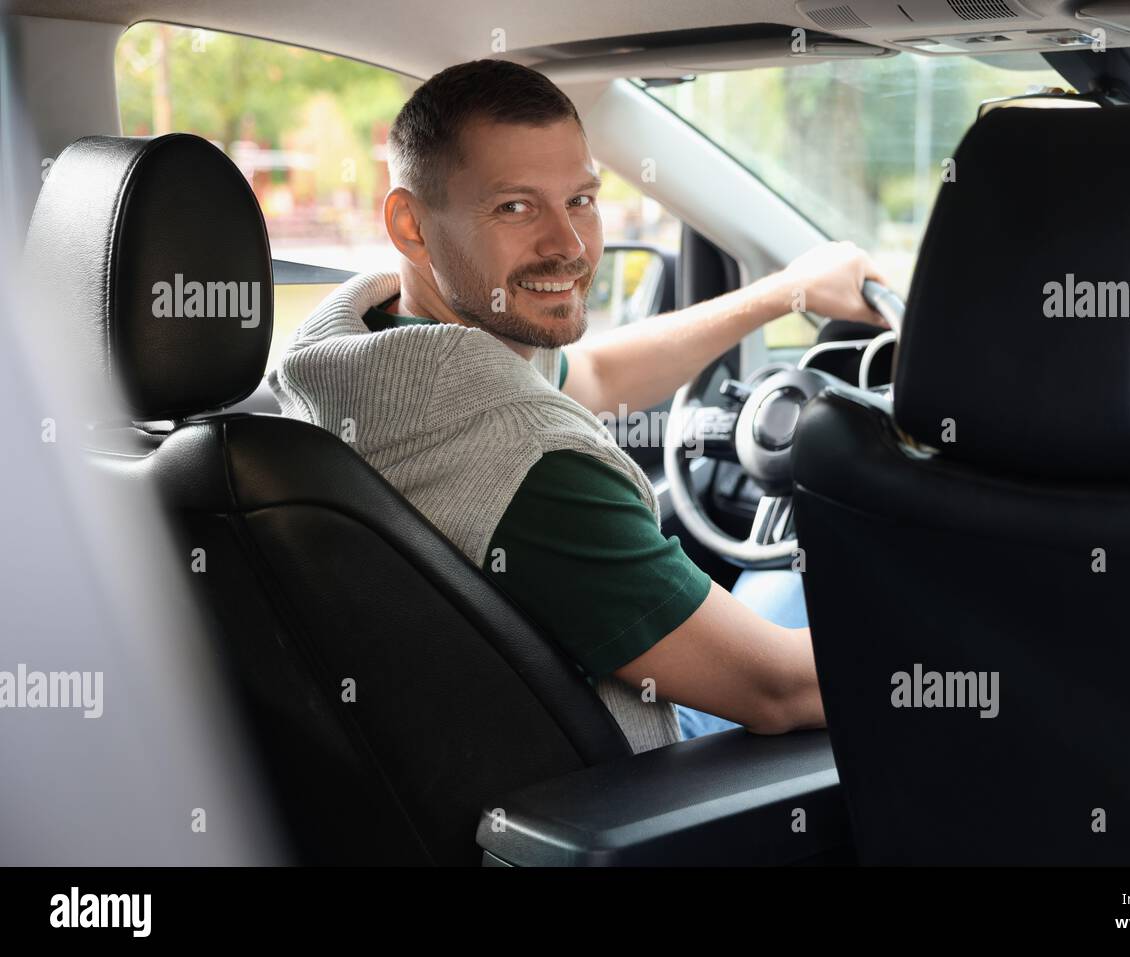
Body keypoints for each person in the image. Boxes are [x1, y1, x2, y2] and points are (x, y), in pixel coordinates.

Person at [269, 59, 890, 753]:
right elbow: (780, 690)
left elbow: (592, 374)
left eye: (582, 200)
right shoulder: (525, 458)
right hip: (637, 779)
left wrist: (781, 292)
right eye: (515, 207)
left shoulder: (361, 352)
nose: (567, 246)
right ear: (410, 225)